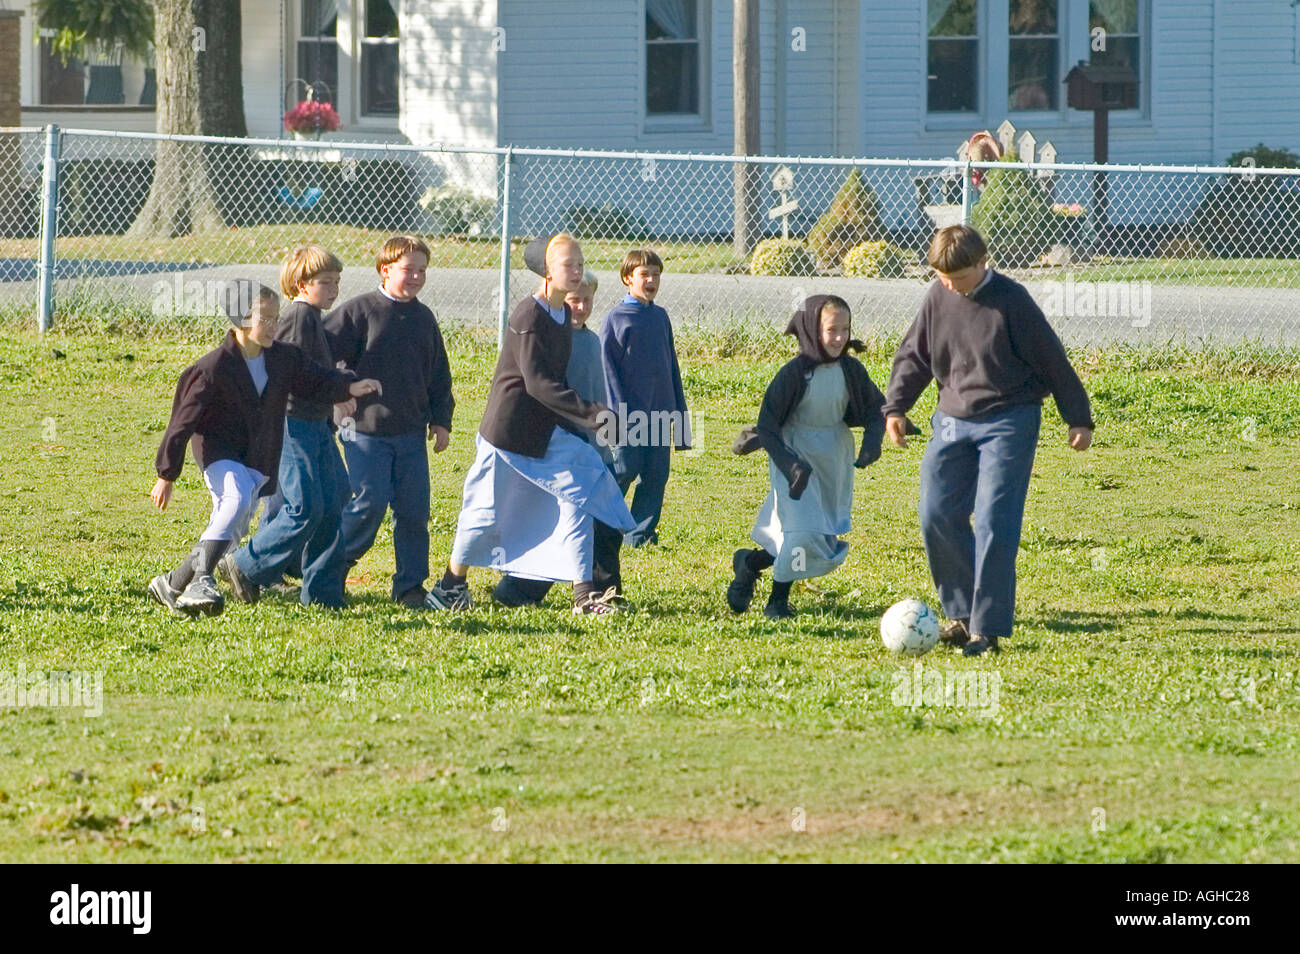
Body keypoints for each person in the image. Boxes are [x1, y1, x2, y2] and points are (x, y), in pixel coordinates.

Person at [882, 225, 1094, 657]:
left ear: (983, 263)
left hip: (1009, 418)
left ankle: (987, 628)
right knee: (935, 512)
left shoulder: (1012, 301)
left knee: (996, 520)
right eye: (942, 277)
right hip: (951, 418)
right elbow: (915, 354)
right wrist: (895, 407)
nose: (950, 286)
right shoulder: (938, 295)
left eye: (958, 278)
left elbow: (1053, 360)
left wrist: (1078, 417)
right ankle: (960, 616)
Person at [426, 233, 634, 616]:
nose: (576, 271)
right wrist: (593, 414)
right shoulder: (529, 313)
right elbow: (538, 383)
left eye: (579, 263)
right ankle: (450, 585)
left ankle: (584, 597)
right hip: (507, 433)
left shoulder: (562, 315)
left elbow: (554, 384)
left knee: (578, 494)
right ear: (546, 270)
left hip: (544, 431)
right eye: (567, 264)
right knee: (483, 511)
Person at [148, 280, 380, 617]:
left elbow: (315, 380)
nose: (274, 326)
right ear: (241, 320)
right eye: (265, 319)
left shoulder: (283, 358)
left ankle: (172, 583)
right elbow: (182, 423)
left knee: (233, 525)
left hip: (257, 455)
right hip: (220, 452)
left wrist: (349, 386)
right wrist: (166, 474)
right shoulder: (212, 368)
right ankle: (202, 579)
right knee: (237, 500)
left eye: (275, 318)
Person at [727, 295, 886, 619]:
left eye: (845, 329)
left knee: (814, 532)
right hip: (794, 454)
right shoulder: (794, 374)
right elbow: (768, 426)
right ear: (812, 330)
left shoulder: (851, 369)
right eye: (831, 330)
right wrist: (790, 465)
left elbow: (875, 409)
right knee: (803, 532)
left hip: (833, 458)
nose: (840, 337)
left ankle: (750, 563)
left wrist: (872, 442)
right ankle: (777, 602)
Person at [218, 245, 356, 608]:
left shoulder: (312, 318)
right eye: (325, 281)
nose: (334, 288)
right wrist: (336, 386)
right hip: (294, 424)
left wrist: (335, 390)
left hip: (317, 424)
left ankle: (324, 594)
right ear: (299, 284)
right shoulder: (298, 317)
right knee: (306, 507)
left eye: (337, 281)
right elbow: (288, 373)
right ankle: (245, 565)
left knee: (334, 500)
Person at [323, 235, 455, 609]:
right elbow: (320, 352)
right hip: (365, 431)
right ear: (385, 270)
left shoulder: (424, 318)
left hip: (410, 433)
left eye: (422, 271)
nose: (416, 277)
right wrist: (341, 392)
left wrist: (441, 420)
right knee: (368, 501)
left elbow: (438, 374)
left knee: (414, 511)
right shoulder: (360, 311)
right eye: (407, 269)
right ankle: (329, 570)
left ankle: (410, 586)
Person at [492, 269, 625, 607]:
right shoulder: (551, 339)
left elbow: (597, 392)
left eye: (587, 300)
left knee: (606, 523)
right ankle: (520, 590)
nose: (580, 306)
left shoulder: (592, 341)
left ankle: (605, 591)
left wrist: (606, 432)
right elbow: (545, 392)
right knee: (557, 519)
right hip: (560, 444)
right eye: (573, 300)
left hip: (594, 445)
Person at [599, 249, 691, 548]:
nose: (651, 280)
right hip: (629, 416)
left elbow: (671, 367)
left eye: (656, 274)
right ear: (628, 278)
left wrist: (681, 415)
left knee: (656, 474)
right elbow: (607, 370)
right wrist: (615, 416)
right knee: (624, 468)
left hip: (660, 413)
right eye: (644, 274)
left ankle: (640, 535)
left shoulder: (660, 317)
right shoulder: (616, 318)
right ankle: (598, 523)